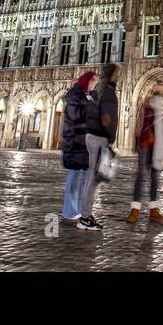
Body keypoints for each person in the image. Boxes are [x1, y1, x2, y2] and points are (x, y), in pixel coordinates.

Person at [79, 63, 120, 231]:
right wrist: (111, 139)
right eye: (117, 74)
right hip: (99, 137)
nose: (118, 77)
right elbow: (108, 117)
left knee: (93, 177)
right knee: (94, 179)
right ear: (112, 75)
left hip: (91, 134)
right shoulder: (108, 91)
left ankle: (85, 214)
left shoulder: (98, 89)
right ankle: (85, 217)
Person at [127, 82, 163, 224]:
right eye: (160, 85)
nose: (162, 88)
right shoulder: (147, 101)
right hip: (145, 143)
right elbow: (139, 120)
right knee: (141, 174)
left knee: (155, 177)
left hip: (157, 145)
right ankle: (135, 209)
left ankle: (153, 209)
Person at [61, 71, 96, 221]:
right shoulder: (75, 97)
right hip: (76, 141)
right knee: (75, 176)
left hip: (84, 142)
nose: (94, 85)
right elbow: (76, 118)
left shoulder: (86, 96)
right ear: (86, 81)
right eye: (93, 82)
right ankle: (69, 211)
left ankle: (79, 210)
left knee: (83, 177)